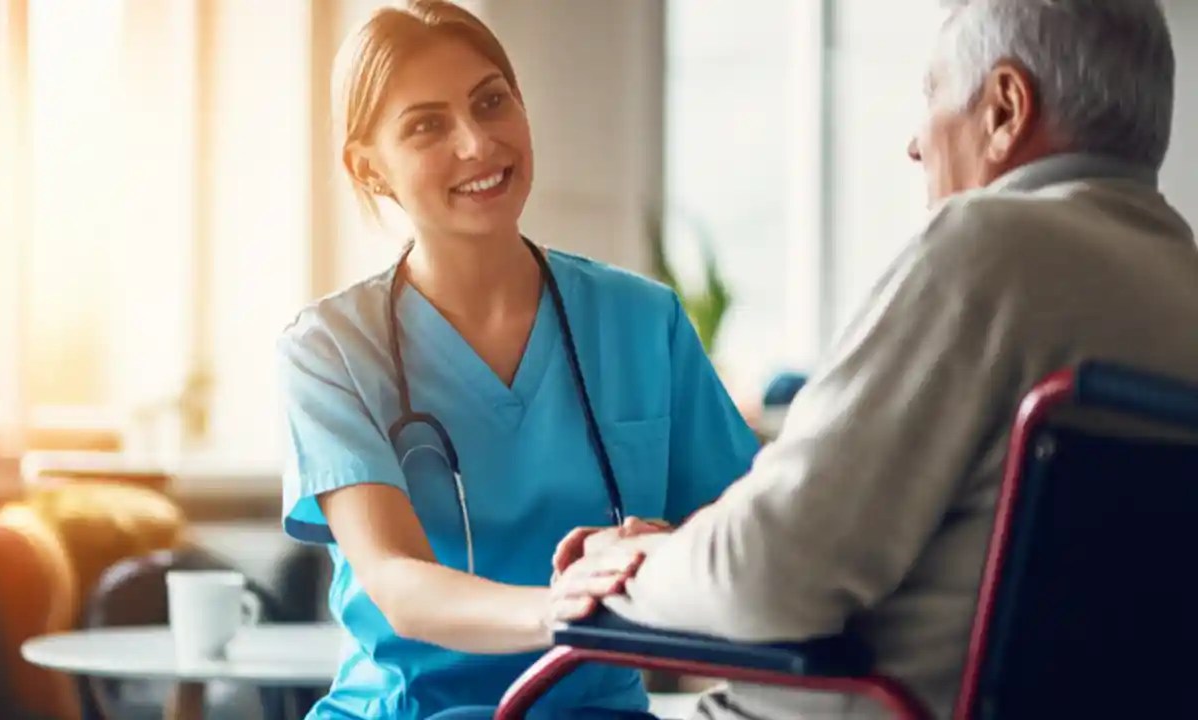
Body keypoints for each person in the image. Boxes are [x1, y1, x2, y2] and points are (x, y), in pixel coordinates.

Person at [477, 1, 1198, 718]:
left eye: (931, 96)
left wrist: (625, 563)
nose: (916, 145)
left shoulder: (989, 247)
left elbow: (765, 578)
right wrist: (701, 548)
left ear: (1006, 108)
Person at [275, 2, 759, 718]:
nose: (477, 143)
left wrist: (666, 550)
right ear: (369, 169)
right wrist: (567, 607)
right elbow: (398, 580)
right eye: (427, 125)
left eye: (492, 102)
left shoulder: (642, 321)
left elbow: (745, 534)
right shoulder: (330, 349)